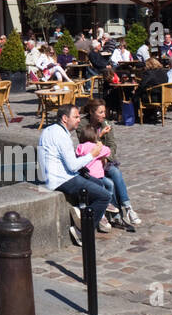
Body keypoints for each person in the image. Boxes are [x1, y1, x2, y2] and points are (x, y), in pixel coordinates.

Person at [37, 104, 115, 245]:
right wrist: (92, 155)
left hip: (54, 175)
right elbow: (72, 165)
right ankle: (83, 231)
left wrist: (81, 167)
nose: (79, 120)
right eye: (76, 117)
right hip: (61, 180)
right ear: (65, 118)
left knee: (98, 182)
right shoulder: (62, 136)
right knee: (105, 196)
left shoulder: (50, 130)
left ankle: (82, 210)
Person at [78, 98, 141, 227]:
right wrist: (100, 135)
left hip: (105, 159)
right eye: (100, 112)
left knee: (115, 172)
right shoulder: (82, 124)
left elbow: (112, 145)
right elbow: (85, 144)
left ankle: (127, 208)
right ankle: (117, 215)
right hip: (91, 161)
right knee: (111, 181)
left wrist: (106, 158)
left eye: (104, 112)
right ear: (91, 112)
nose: (104, 115)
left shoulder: (106, 123)